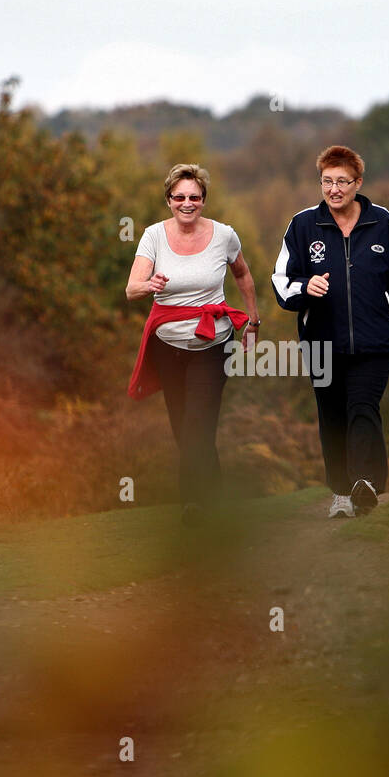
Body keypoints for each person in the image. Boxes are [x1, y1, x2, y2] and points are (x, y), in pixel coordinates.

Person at [271, 145, 389, 518]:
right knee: (332, 416)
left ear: (358, 182)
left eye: (343, 181)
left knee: (363, 406)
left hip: (375, 338)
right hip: (322, 343)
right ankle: (341, 493)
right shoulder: (303, 225)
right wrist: (305, 287)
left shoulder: (380, 221)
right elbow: (282, 281)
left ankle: (366, 483)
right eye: (327, 181)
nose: (334, 189)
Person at [127, 163, 260, 524]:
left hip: (213, 343)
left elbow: (243, 274)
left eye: (195, 197)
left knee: (198, 426)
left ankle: (193, 505)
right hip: (167, 348)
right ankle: (214, 498)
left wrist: (253, 319)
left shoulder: (224, 236)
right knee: (183, 428)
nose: (187, 203)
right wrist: (150, 285)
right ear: (169, 200)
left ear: (203, 200)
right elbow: (131, 289)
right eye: (180, 197)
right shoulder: (153, 236)